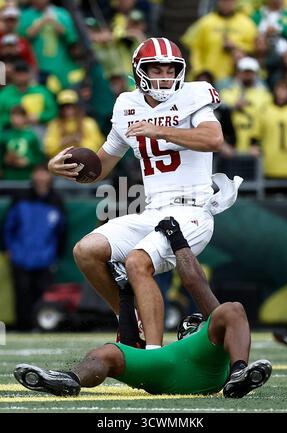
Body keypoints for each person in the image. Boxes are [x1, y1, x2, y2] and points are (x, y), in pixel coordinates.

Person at [48, 37, 243, 349]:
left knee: (137, 263)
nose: (165, 75)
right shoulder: (127, 105)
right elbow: (100, 167)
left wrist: (160, 129)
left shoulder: (195, 94)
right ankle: (129, 320)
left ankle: (153, 353)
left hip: (193, 210)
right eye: (156, 68)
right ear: (140, 72)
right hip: (154, 212)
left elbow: (213, 138)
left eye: (171, 68)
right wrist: (62, 168)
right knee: (86, 250)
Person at [14, 217, 272, 398]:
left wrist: (178, 241)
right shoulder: (185, 345)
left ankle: (240, 372)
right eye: (191, 323)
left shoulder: (210, 339)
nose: (195, 324)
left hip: (205, 371)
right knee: (106, 352)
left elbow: (195, 283)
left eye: (198, 321)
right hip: (161, 367)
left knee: (232, 309)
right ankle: (70, 379)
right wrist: (125, 291)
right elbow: (128, 342)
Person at [3, 163, 66, 330]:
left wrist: (55, 254)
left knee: (44, 293)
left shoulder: (56, 201)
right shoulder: (20, 198)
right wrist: (8, 248)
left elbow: (61, 231)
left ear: (50, 176)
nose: (40, 176)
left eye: (44, 173)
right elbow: (9, 225)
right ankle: (22, 326)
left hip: (45, 257)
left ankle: (41, 326)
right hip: (20, 255)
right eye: (37, 172)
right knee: (22, 292)